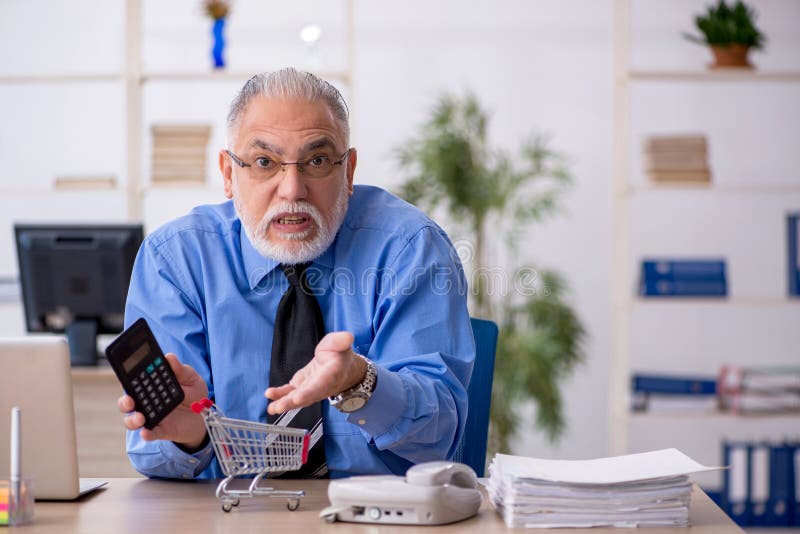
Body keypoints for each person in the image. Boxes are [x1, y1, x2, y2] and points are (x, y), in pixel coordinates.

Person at [117, 67, 475, 479]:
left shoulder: (409, 249)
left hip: (377, 516)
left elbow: (441, 436)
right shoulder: (176, 260)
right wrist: (190, 436)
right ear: (229, 174)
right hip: (230, 516)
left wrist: (363, 383)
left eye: (318, 160)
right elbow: (151, 454)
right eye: (265, 162)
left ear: (349, 171)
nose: (292, 189)